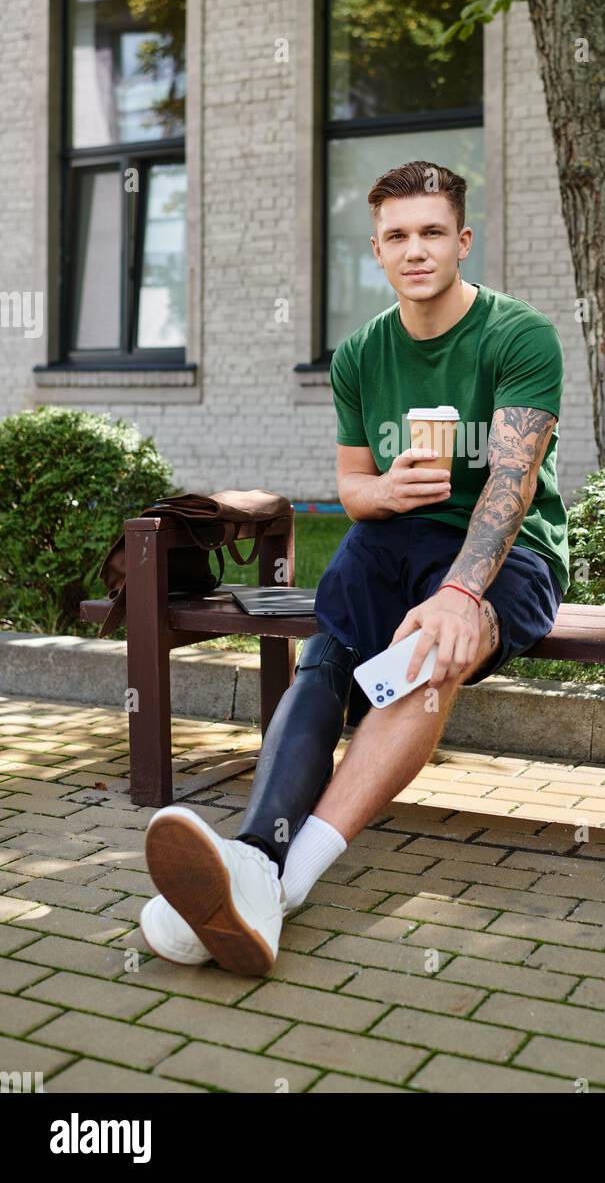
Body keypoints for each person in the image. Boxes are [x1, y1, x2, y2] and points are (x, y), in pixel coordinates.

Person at [139, 159, 570, 977]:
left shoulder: (521, 336)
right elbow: (350, 489)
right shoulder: (361, 355)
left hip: (510, 553)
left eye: (433, 232)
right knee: (326, 659)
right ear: (377, 249)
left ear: (463, 241)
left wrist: (457, 594)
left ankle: (281, 884)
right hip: (393, 538)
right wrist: (385, 487)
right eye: (398, 236)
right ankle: (253, 858)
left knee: (427, 662)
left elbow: (509, 493)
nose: (417, 250)